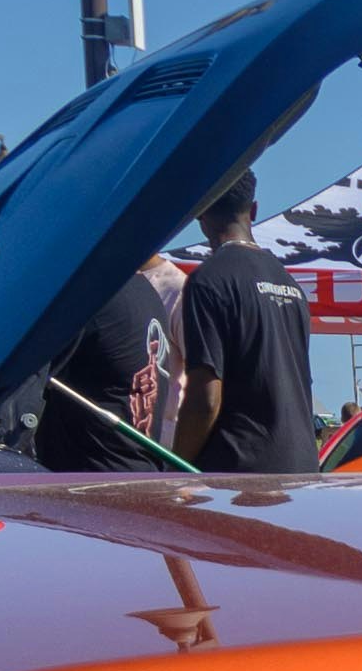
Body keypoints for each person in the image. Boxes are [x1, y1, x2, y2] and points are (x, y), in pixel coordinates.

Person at [172, 171, 319, 474]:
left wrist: (174, 466)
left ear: (201, 212)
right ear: (253, 210)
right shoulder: (289, 283)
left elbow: (205, 397)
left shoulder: (208, 280)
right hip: (302, 465)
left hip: (241, 472)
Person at [36, 269, 172, 470]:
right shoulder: (141, 289)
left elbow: (26, 381)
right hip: (132, 469)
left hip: (92, 474)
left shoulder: (96, 290)